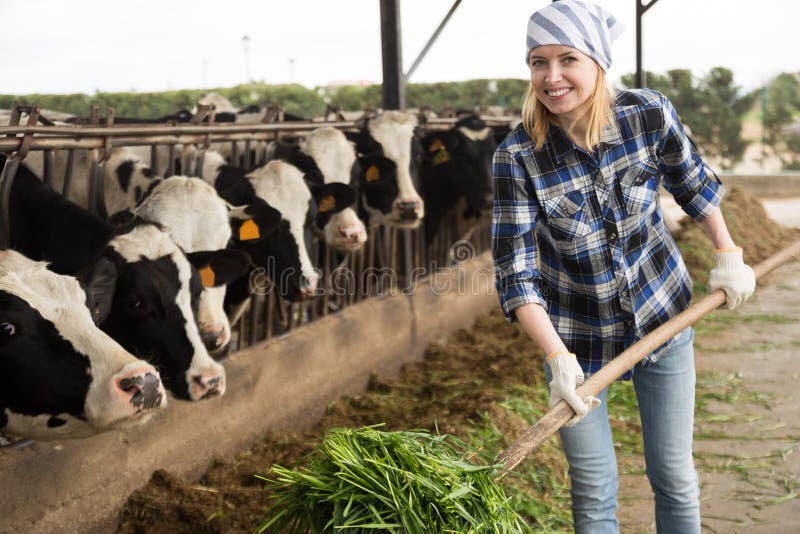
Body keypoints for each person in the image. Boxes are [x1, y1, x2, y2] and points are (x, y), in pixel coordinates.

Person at [491, 1, 756, 532]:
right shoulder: (517, 156)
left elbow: (694, 184)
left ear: (598, 62)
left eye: (568, 59)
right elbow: (515, 271)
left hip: (664, 318)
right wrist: (557, 359)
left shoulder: (647, 113)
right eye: (538, 63)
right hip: (577, 342)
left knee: (674, 475)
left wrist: (728, 254)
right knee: (593, 491)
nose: (552, 76)